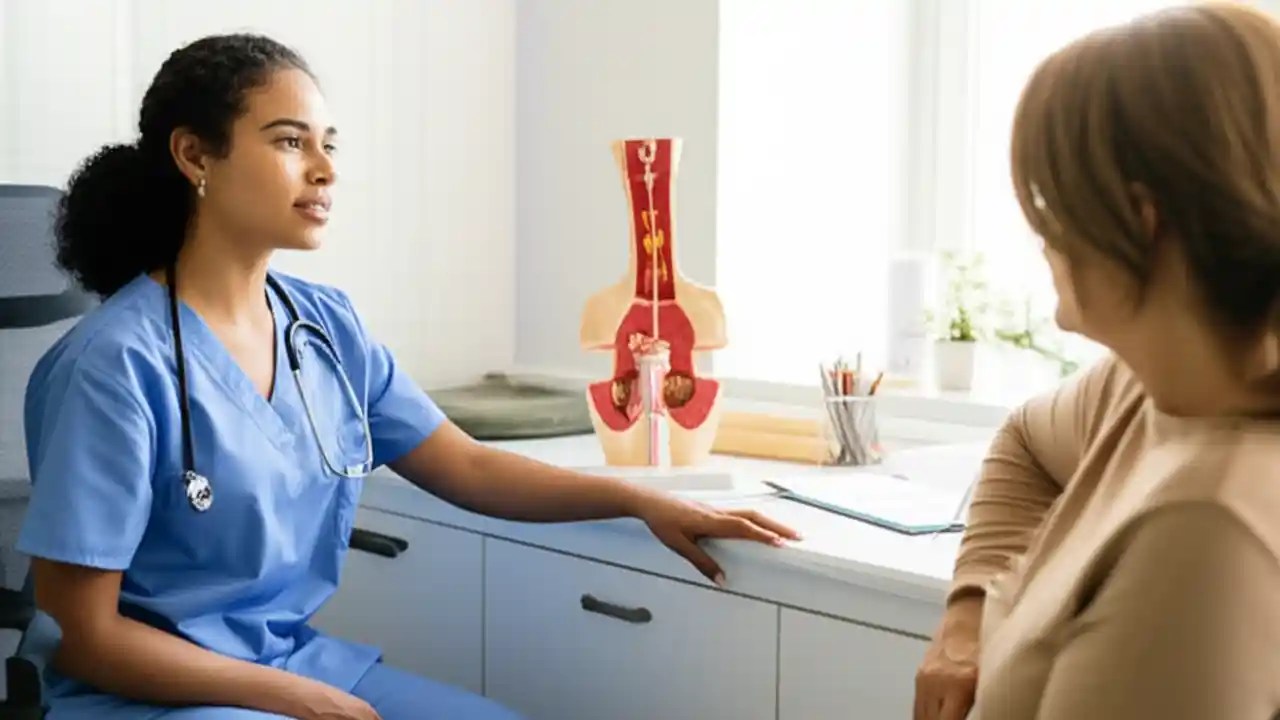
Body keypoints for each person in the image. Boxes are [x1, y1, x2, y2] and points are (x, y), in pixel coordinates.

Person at [16, 33, 800, 720]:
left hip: (292, 665)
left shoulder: (324, 329)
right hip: (151, 695)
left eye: (330, 144)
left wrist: (637, 500)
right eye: (290, 142)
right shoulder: (114, 366)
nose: (324, 170)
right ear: (194, 155)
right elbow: (88, 638)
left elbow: (467, 464)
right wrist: (291, 699)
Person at [913, 3, 1280, 719]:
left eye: (1049, 201)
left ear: (1142, 221)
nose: (1041, 237)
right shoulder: (1148, 392)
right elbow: (1024, 441)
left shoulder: (1206, 534)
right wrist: (968, 616)